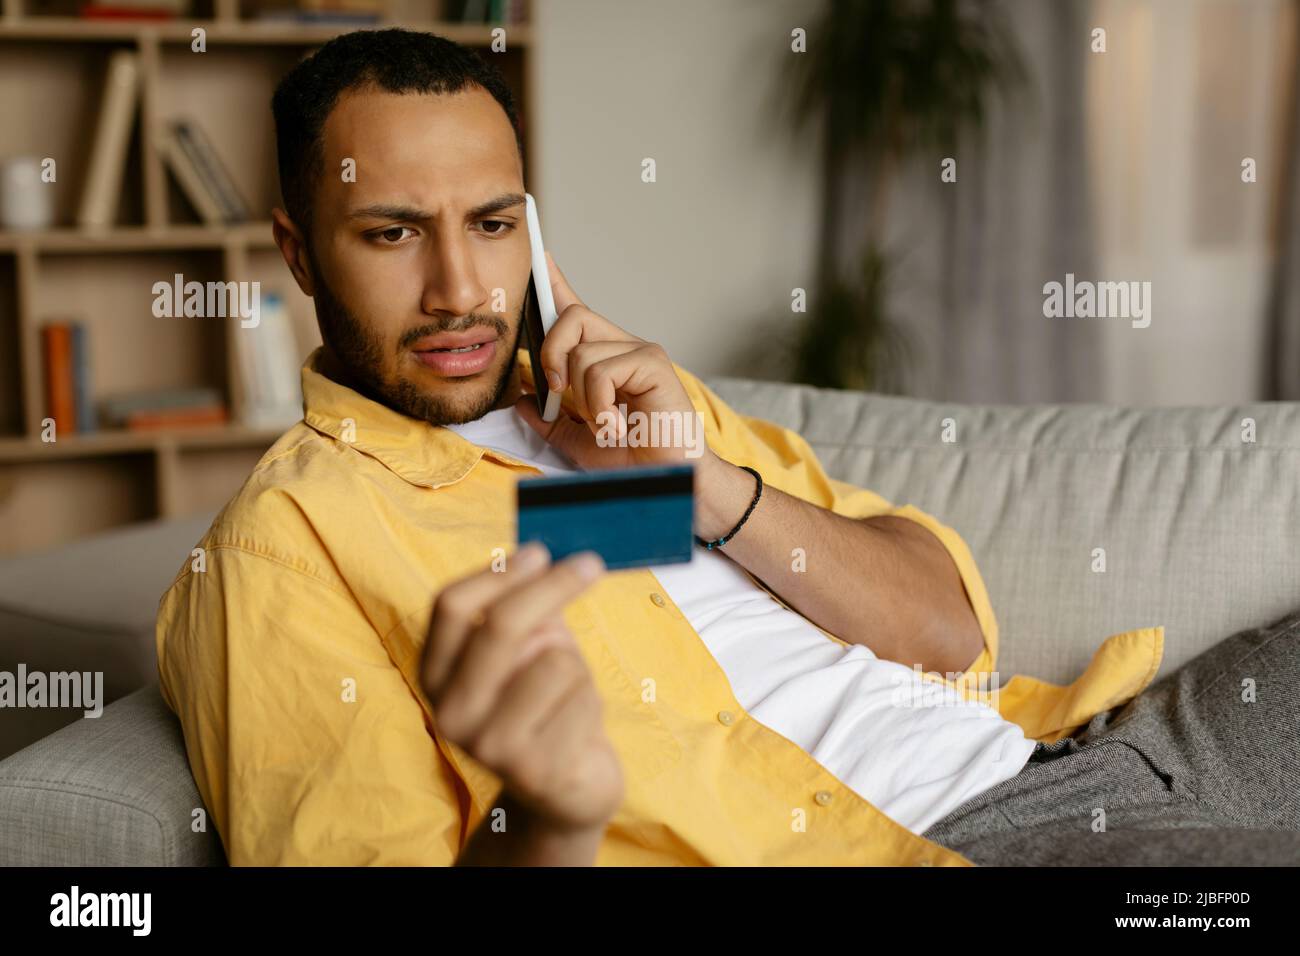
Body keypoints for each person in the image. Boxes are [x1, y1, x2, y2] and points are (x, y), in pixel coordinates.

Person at [155, 28, 1300, 866]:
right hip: (961, 844)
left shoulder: (615, 403)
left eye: (493, 225)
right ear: (298, 254)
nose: (461, 289)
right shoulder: (290, 548)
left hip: (1099, 744)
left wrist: (699, 483)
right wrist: (547, 811)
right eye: (393, 233)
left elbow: (945, 627)